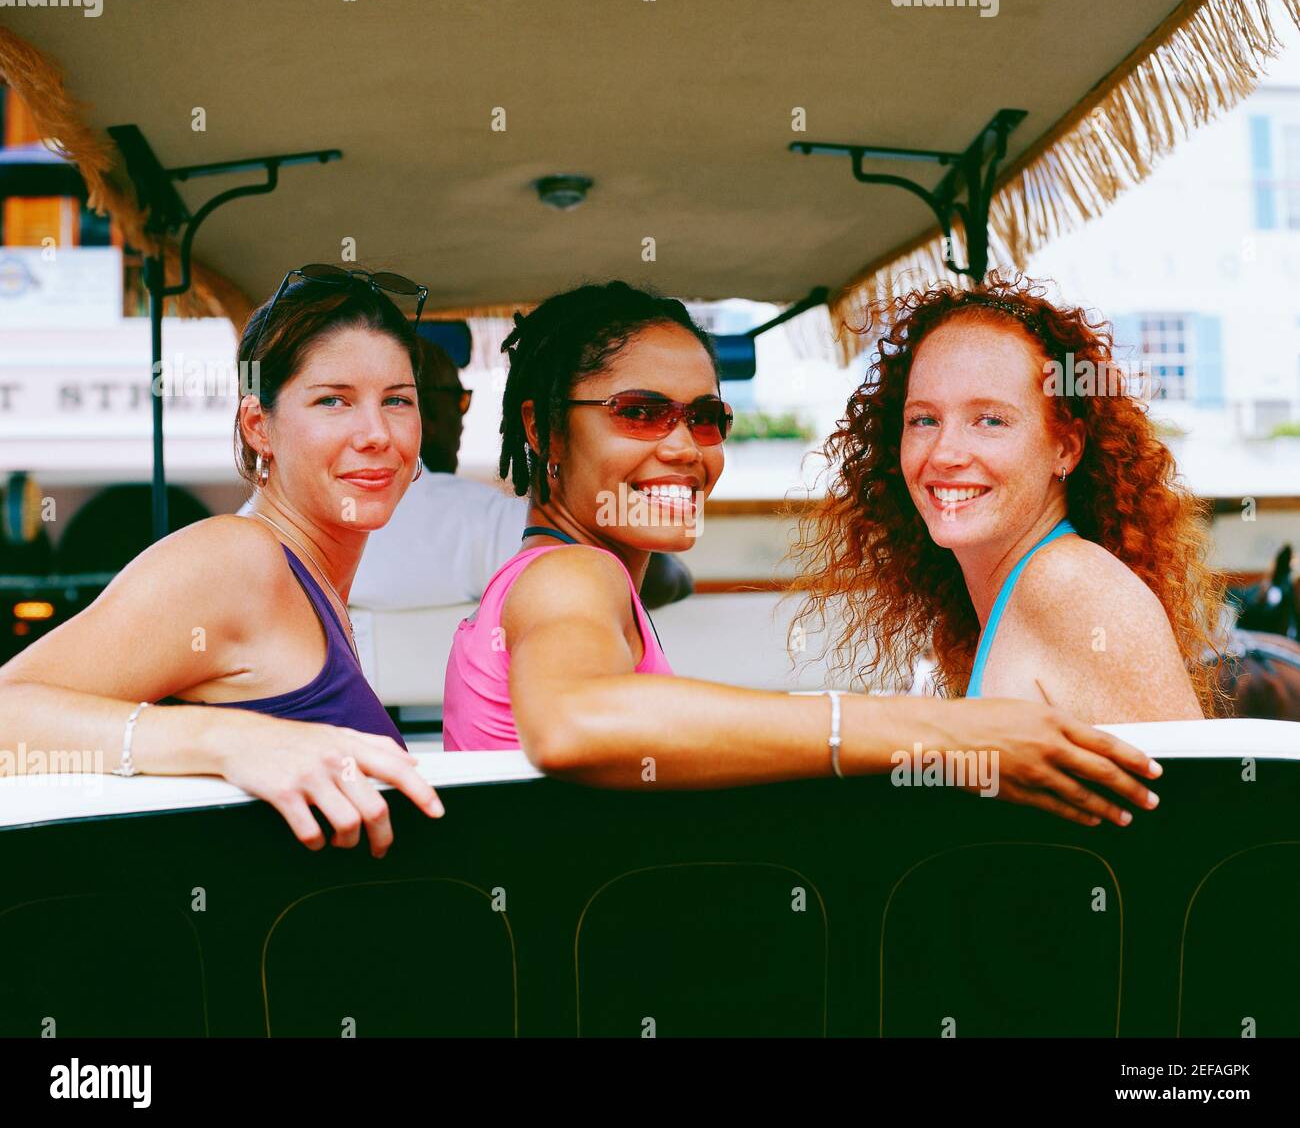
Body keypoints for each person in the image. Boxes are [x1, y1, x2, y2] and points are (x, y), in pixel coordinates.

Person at [442, 281, 1164, 828]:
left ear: (1067, 446)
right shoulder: (572, 573)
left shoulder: (1066, 583)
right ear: (539, 429)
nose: (682, 447)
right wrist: (930, 731)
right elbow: (573, 722)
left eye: (705, 418)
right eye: (639, 412)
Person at [0, 265, 444, 856]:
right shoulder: (240, 559)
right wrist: (224, 738)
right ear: (259, 425)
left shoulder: (312, 582)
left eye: (397, 400)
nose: (376, 433)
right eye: (333, 401)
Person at [789, 274, 1225, 723]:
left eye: (991, 421)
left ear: (1066, 448)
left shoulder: (1067, 584)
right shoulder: (1016, 590)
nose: (945, 453)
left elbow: (1187, 792)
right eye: (923, 420)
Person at [347, 335, 693, 610]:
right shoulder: (474, 518)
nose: (461, 419)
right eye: (459, 399)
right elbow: (661, 581)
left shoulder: (324, 520)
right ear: (429, 411)